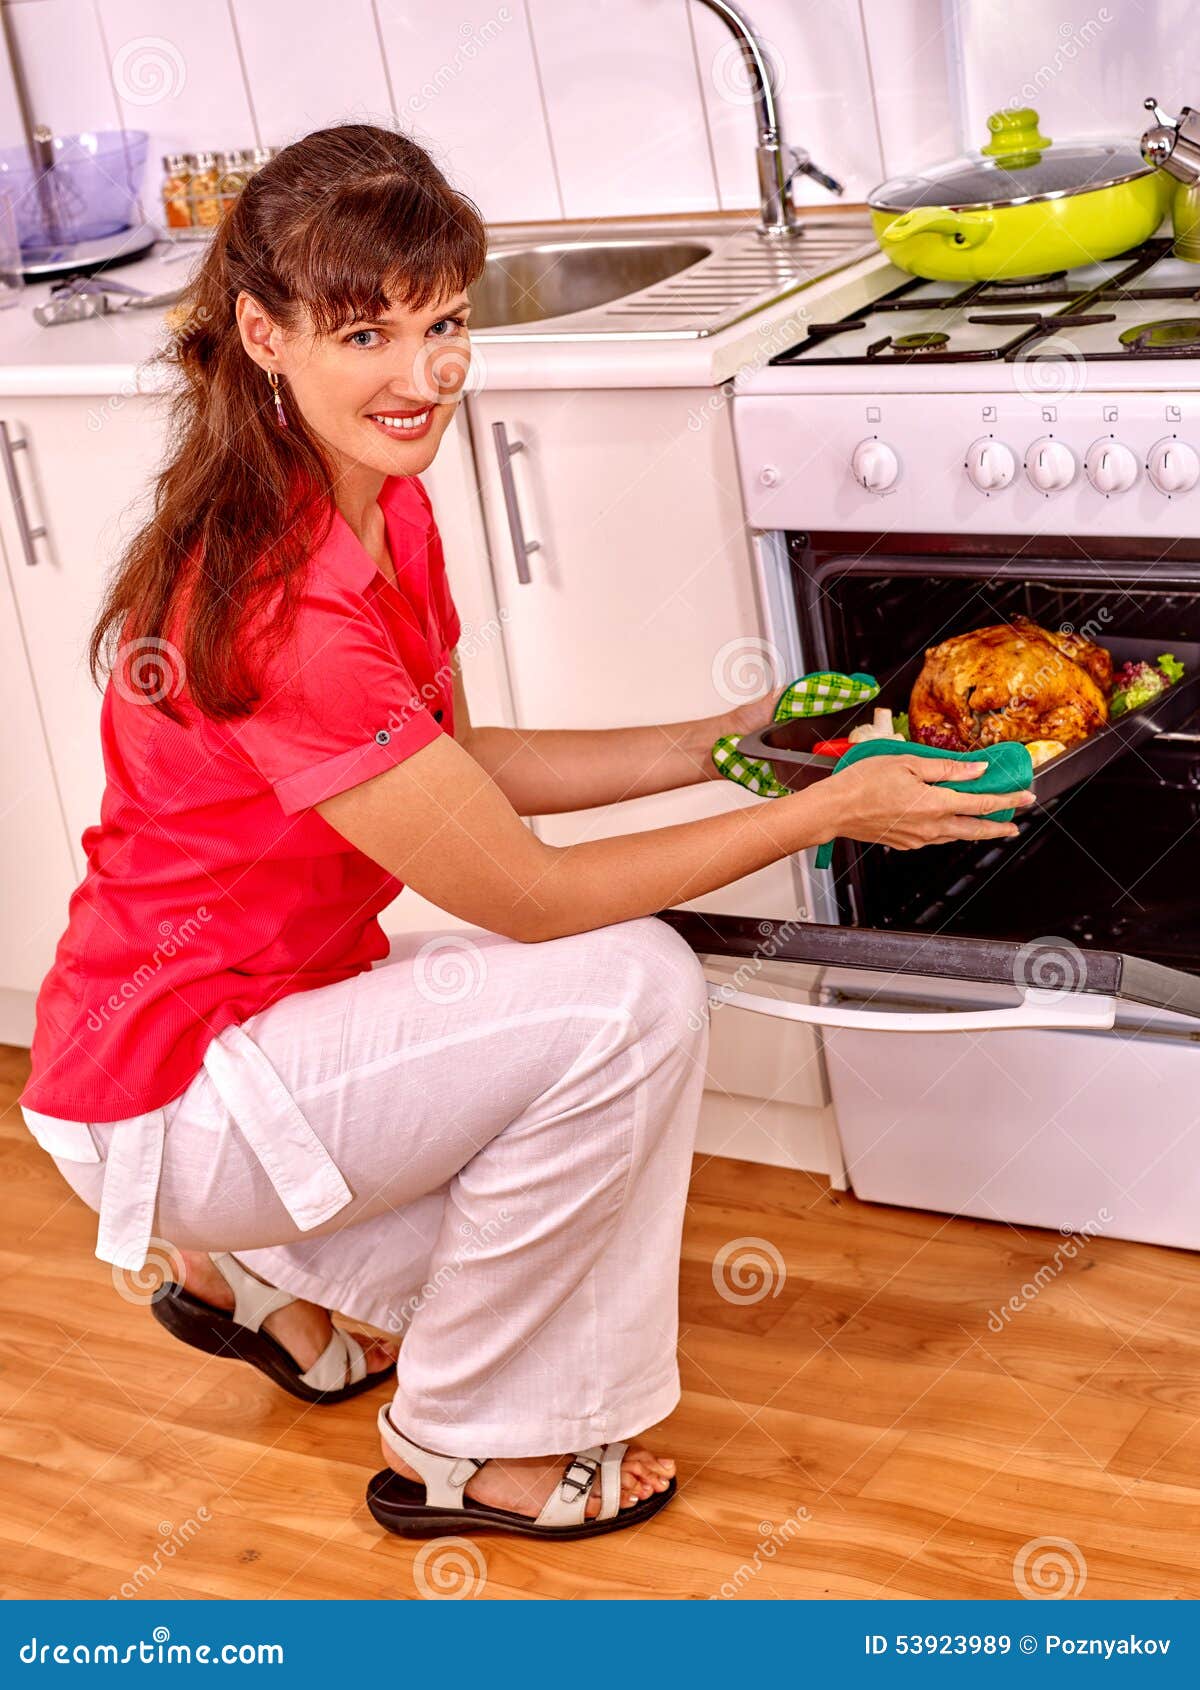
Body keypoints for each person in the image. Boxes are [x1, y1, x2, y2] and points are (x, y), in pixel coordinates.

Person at [18, 125, 1033, 1541]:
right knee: (629, 988)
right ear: (262, 331)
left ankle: (259, 1277)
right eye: (367, 331)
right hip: (179, 1078)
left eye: (443, 324)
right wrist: (827, 807)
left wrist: (722, 743)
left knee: (514, 1228)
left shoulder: (375, 506)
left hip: (219, 1034)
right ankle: (468, 1446)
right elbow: (538, 901)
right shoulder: (280, 598)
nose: (426, 372)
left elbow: (458, 763)